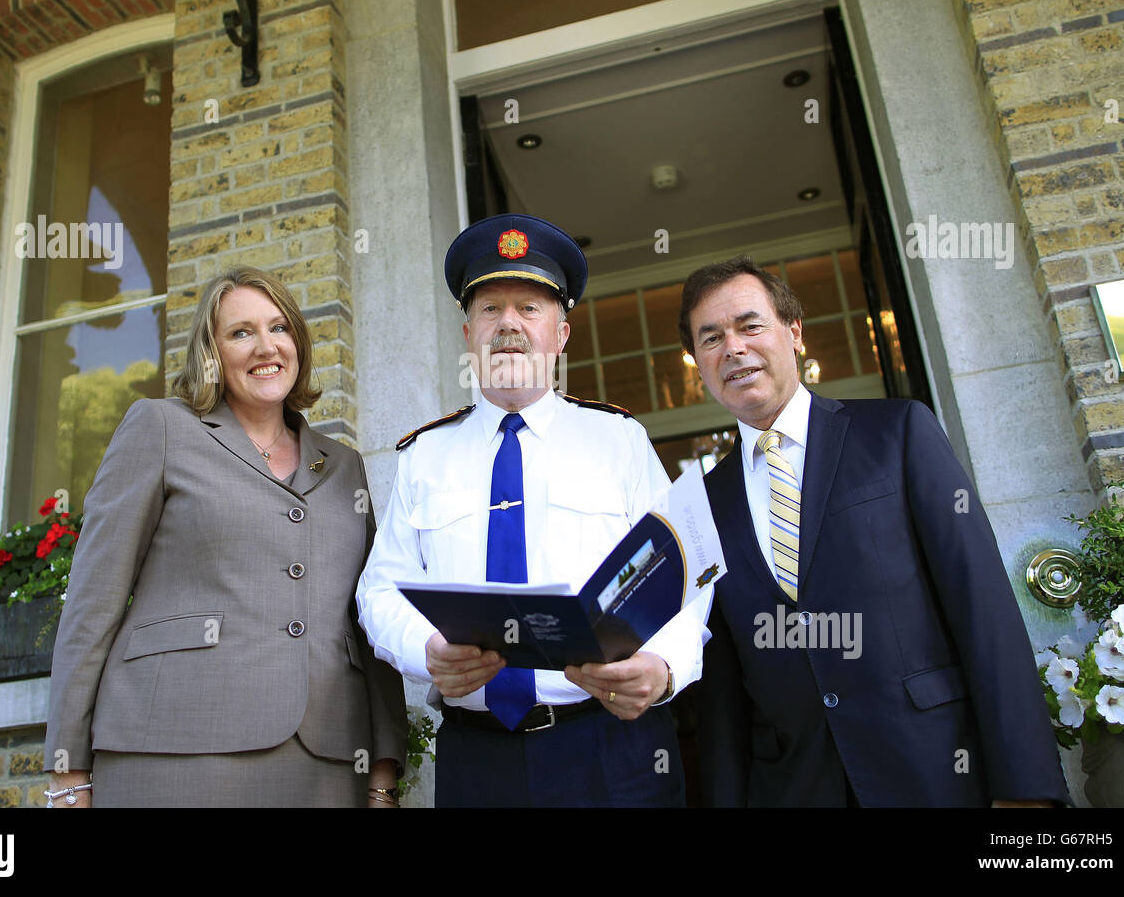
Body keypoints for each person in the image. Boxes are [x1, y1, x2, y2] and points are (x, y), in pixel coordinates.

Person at [681, 256, 1071, 806]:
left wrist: (1024, 788)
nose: (734, 348)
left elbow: (981, 607)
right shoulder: (701, 502)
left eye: (751, 326)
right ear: (697, 361)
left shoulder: (897, 433)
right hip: (794, 788)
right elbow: (720, 685)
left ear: (793, 333)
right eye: (712, 338)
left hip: (937, 773)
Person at [356, 213, 712, 807]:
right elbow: (380, 589)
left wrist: (665, 666)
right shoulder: (425, 457)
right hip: (478, 758)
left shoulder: (619, 440)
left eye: (530, 309)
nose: (509, 326)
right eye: (491, 309)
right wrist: (427, 652)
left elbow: (683, 572)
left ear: (561, 333)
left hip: (612, 746)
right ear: (468, 334)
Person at [44, 267, 406, 807]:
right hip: (174, 748)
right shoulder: (160, 428)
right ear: (210, 351)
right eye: (241, 332)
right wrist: (67, 772)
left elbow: (370, 614)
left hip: (327, 763)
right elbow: (93, 601)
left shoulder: (345, 466)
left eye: (279, 328)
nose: (266, 347)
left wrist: (382, 773)